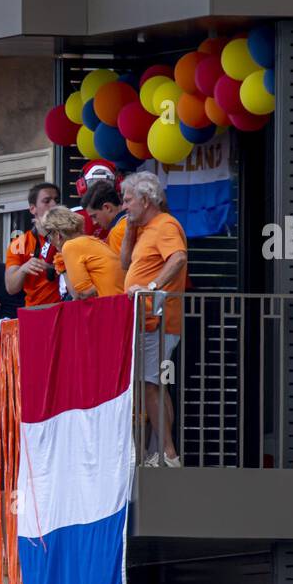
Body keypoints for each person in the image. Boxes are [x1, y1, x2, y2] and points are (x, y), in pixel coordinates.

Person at [120, 171, 189, 468]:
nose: (124, 206)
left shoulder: (165, 225)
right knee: (153, 385)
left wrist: (151, 289)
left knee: (151, 386)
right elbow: (125, 264)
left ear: (146, 200)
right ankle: (163, 453)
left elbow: (178, 258)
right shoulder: (146, 228)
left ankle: (168, 455)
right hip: (148, 321)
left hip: (158, 321)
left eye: (128, 200)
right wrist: (128, 231)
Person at [39, 206, 125, 300]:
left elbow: (83, 294)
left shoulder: (70, 246)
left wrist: (63, 270)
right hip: (119, 303)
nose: (49, 242)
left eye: (48, 236)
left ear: (56, 233)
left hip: (109, 306)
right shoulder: (91, 241)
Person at [4, 182, 63, 308]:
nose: (54, 205)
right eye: (47, 201)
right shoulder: (19, 244)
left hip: (67, 306)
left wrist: (51, 267)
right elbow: (11, 287)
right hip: (35, 309)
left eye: (56, 200)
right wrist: (23, 268)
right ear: (32, 209)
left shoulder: (69, 235)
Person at [84, 181, 129, 255]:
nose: (94, 222)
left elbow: (119, 266)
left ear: (107, 207)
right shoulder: (136, 220)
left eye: (94, 216)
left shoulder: (117, 232)